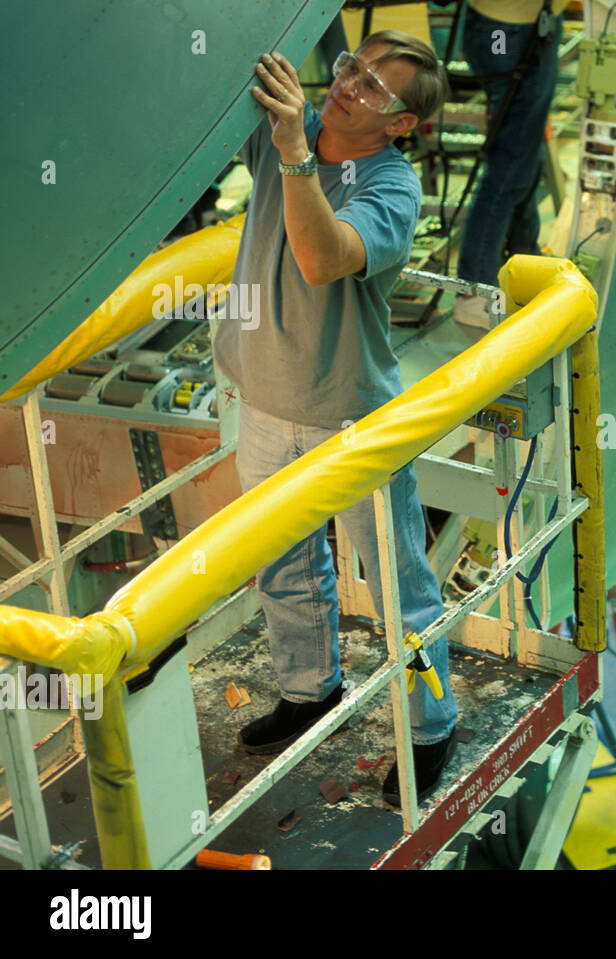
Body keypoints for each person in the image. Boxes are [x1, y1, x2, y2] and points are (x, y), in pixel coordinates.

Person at [212, 31, 460, 806]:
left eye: (377, 89)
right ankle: (309, 687)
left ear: (403, 126)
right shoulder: (287, 123)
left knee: (400, 592)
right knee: (283, 565)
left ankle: (431, 724)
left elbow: (320, 259)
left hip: (349, 420)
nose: (351, 84)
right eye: (353, 67)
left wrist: (293, 155)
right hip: (262, 401)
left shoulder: (390, 185)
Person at [454, 0, 563, 324]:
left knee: (524, 152)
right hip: (512, 29)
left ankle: (523, 260)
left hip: (520, 24)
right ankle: (474, 291)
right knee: (511, 164)